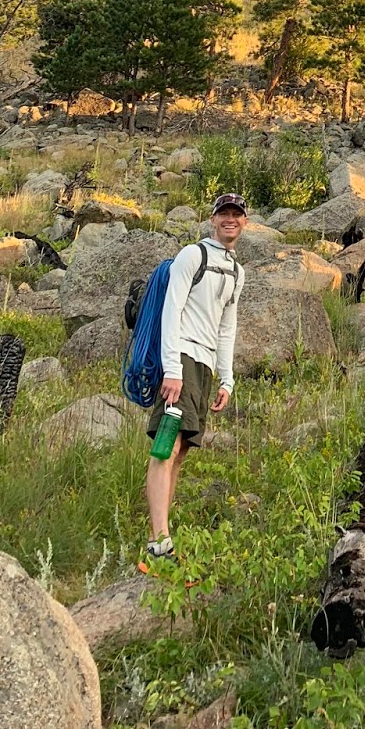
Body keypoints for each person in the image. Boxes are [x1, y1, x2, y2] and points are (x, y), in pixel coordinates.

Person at [144, 192, 247, 558]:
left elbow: (226, 328)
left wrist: (227, 379)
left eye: (236, 214)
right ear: (212, 219)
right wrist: (172, 369)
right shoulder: (193, 255)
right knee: (166, 443)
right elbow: (171, 311)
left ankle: (162, 537)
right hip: (182, 357)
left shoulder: (237, 271)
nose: (230, 220)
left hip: (204, 366)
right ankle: (159, 541)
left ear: (244, 222)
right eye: (224, 214)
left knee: (182, 449)